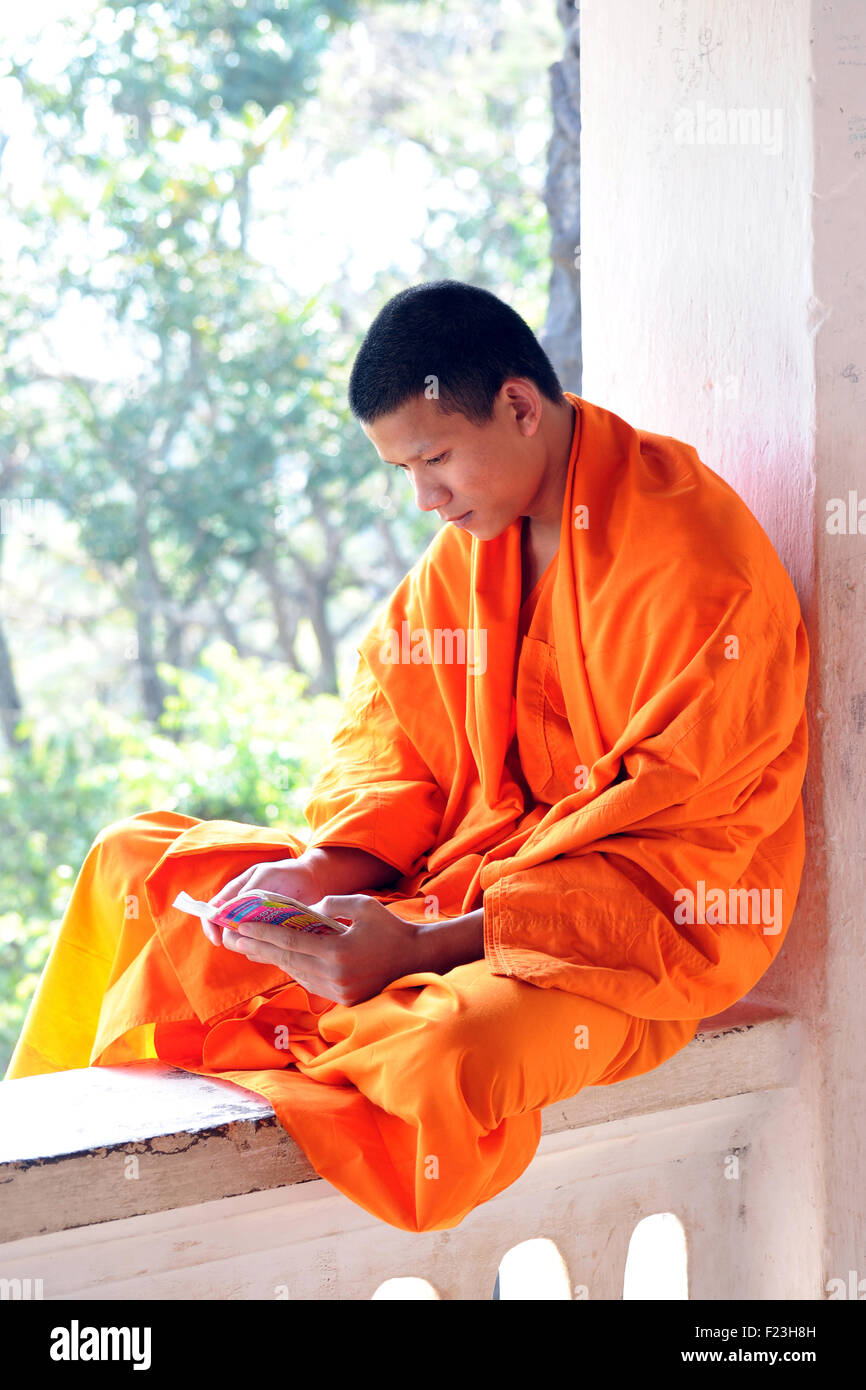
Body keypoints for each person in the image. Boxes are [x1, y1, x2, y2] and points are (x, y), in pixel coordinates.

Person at [4, 280, 809, 1235]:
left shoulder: (694, 569)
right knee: (135, 861)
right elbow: (398, 742)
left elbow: (678, 864)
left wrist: (424, 947)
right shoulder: (475, 540)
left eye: (435, 460)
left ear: (517, 405)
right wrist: (318, 870)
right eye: (404, 472)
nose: (427, 500)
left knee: (446, 1052)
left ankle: (317, 1016)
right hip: (441, 882)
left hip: (616, 943)